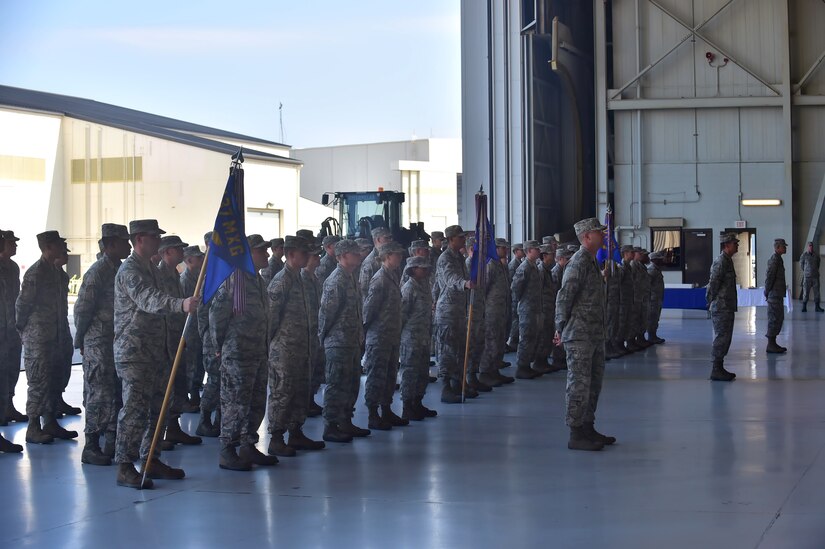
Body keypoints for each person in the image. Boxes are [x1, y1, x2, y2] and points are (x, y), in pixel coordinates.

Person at [113, 219, 198, 489]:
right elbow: (149, 299)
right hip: (135, 352)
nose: (159, 242)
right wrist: (181, 304)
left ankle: (151, 458)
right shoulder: (130, 270)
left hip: (157, 350)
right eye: (154, 237)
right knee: (134, 409)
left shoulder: (152, 268)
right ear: (139, 239)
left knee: (158, 409)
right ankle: (125, 465)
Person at [210, 234, 277, 470]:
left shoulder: (258, 280)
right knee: (235, 403)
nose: (266, 254)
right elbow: (217, 316)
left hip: (258, 352)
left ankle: (248, 446)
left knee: (256, 402)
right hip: (238, 353)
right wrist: (220, 347)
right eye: (261, 250)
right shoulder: (234, 280)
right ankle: (227, 450)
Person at [74, 223, 131, 465]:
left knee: (116, 391)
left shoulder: (120, 269)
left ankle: (111, 441)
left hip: (116, 341)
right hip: (98, 341)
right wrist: (81, 339)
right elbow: (82, 309)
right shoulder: (97, 272)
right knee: (99, 393)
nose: (129, 245)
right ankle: (91, 445)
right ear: (111, 244)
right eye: (124, 241)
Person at [555, 217, 614, 451]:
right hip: (579, 335)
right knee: (579, 385)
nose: (604, 235)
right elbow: (564, 296)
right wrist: (560, 327)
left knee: (593, 384)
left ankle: (588, 427)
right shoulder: (578, 262)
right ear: (587, 237)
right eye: (599, 232)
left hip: (594, 334)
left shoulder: (591, 262)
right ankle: (576, 433)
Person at [267, 236, 325, 456]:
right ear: (291, 254)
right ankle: (276, 438)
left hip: (303, 347)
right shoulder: (281, 281)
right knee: (282, 393)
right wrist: (272, 346)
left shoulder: (300, 279)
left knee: (300, 391)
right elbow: (271, 318)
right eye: (304, 253)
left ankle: (296, 433)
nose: (309, 256)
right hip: (285, 350)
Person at [16, 230, 76, 444]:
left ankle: (50, 422)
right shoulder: (36, 273)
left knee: (54, 379)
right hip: (39, 337)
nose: (63, 248)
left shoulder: (59, 274)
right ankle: (33, 427)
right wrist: (22, 330)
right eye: (59, 244)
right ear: (48, 247)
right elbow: (23, 304)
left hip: (57, 335)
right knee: (39, 382)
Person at [319, 239, 369, 442]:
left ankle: (345, 420)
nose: (358, 256)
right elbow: (326, 314)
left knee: (351, 383)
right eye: (353, 253)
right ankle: (331, 426)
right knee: (336, 384)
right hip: (338, 342)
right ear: (341, 256)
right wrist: (323, 339)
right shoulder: (336, 280)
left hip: (351, 340)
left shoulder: (351, 277)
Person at [157, 235, 201, 447]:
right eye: (178, 249)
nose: (182, 252)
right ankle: (159, 435)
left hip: (178, 337)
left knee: (178, 384)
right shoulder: (158, 275)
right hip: (165, 340)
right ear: (167, 252)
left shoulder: (174, 273)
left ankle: (173, 429)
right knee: (164, 388)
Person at [363, 241, 407, 429]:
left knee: (389, 375)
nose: (400, 258)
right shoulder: (379, 279)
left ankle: (386, 410)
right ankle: (373, 414)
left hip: (391, 335)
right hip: (379, 336)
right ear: (387, 256)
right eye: (397, 254)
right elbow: (369, 309)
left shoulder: (393, 275)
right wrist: (365, 331)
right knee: (376, 376)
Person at [434, 225, 477, 403]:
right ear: (451, 239)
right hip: (448, 311)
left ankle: (458, 383)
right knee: (447, 350)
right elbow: (450, 278)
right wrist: (464, 283)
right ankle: (445, 387)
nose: (463, 240)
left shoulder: (459, 257)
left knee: (459, 349)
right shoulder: (445, 258)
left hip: (459, 310)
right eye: (460, 238)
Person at [399, 255, 437, 420]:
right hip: (411, 338)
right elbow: (402, 314)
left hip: (423, 336)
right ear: (414, 270)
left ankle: (418, 402)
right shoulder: (409, 288)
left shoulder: (424, 285)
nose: (426, 270)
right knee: (410, 372)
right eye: (423, 268)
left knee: (422, 372)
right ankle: (407, 406)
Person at [478, 238, 515, 387]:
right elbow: (483, 289)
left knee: (500, 342)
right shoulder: (490, 265)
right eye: (503, 248)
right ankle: (485, 373)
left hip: (501, 310)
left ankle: (494, 370)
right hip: (491, 312)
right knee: (490, 342)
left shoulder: (501, 265)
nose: (506, 250)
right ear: (495, 249)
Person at [196, 232, 221, 438]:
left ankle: (220, 420)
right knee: (214, 381)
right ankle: (204, 420)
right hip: (212, 340)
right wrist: (209, 337)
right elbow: (202, 311)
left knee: (224, 382)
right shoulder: (211, 275)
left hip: (223, 338)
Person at [0, 230, 26, 425]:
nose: (15, 245)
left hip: (12, 328)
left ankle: (8, 407)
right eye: (11, 243)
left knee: (12, 368)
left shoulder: (13, 267)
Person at [706, 232, 739, 382]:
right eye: (734, 243)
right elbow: (713, 284)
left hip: (727, 306)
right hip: (721, 307)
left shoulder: (728, 260)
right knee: (721, 337)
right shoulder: (720, 262)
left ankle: (719, 367)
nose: (737, 246)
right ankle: (716, 369)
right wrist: (710, 301)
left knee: (726, 338)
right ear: (726, 245)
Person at [511, 241, 547, 379]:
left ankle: (527, 365)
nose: (539, 251)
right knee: (526, 338)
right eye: (536, 249)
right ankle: (522, 367)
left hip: (535, 308)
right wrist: (523, 302)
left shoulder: (534, 266)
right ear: (529, 251)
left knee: (533, 337)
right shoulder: (524, 267)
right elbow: (516, 288)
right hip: (527, 309)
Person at [301, 240, 325, 417]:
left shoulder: (314, 278)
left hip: (315, 331)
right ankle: (304, 403)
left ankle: (309, 400)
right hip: (303, 333)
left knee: (315, 370)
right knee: (305, 372)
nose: (318, 258)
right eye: (315, 256)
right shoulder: (301, 278)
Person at [180, 245, 205, 413]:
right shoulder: (184, 280)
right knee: (191, 364)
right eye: (199, 258)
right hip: (189, 330)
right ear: (189, 260)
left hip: (199, 327)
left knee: (199, 363)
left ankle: (196, 392)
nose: (202, 260)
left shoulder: (199, 277)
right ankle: (190, 396)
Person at [537, 244, 561, 372]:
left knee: (548, 335)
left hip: (549, 308)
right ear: (545, 256)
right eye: (552, 254)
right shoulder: (541, 270)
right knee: (543, 336)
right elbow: (538, 291)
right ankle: (539, 361)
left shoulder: (547, 270)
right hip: (543, 309)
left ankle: (544, 360)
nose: (554, 256)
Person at [764, 238, 788, 354]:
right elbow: (770, 277)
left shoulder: (779, 259)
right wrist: (767, 290)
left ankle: (773, 343)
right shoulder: (774, 260)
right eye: (783, 246)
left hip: (777, 294)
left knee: (778, 318)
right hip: (774, 294)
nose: (785, 248)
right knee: (774, 319)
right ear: (778, 247)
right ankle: (771, 344)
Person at [359, 227, 394, 299]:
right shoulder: (369, 262)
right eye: (387, 238)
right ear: (378, 240)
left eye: (391, 238)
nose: (390, 240)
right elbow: (364, 290)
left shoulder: (392, 257)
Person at [506, 243, 525, 350]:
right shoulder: (513, 264)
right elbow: (511, 282)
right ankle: (513, 341)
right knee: (515, 319)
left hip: (517, 296)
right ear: (516, 251)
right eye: (521, 250)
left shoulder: (519, 263)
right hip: (514, 296)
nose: (523, 252)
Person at [646, 251, 666, 344]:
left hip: (657, 298)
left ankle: (653, 335)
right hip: (652, 299)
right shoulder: (651, 270)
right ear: (654, 260)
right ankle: (651, 336)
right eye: (659, 259)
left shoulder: (656, 269)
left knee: (655, 318)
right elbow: (646, 284)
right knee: (652, 318)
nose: (661, 261)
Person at [799, 241, 822, 312]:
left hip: (815, 276)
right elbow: (801, 265)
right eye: (809, 246)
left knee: (817, 292)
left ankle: (817, 307)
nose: (811, 247)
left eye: (812, 246)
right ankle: (804, 307)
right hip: (807, 277)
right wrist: (807, 271)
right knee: (806, 292)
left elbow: (818, 264)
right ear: (807, 247)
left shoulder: (816, 255)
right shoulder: (804, 255)